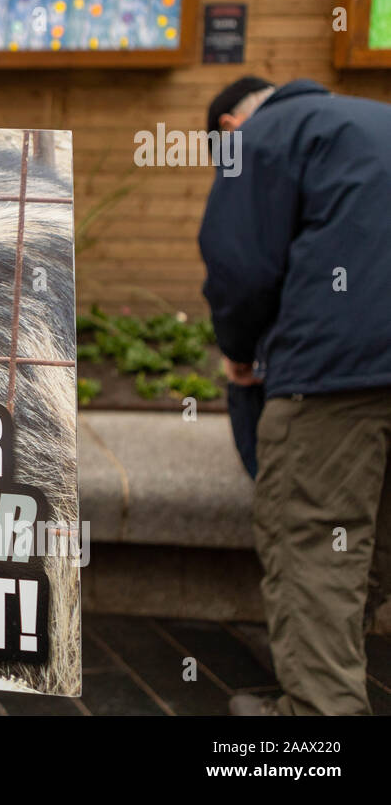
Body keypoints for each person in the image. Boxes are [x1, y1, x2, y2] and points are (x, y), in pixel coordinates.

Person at [199, 75, 391, 715]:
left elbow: (240, 266)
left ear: (229, 127)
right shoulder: (371, 121)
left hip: (339, 375)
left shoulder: (258, 138)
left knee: (317, 539)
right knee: (371, 539)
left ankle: (319, 722)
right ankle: (332, 677)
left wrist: (239, 350)